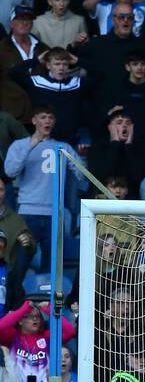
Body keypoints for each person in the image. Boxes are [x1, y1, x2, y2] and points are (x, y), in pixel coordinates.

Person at [4, 106, 82, 273]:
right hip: (28, 213)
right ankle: (15, 298)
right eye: (43, 117)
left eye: (51, 118)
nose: (47, 121)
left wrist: (80, 157)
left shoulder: (63, 147)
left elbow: (83, 175)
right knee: (19, 264)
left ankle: (47, 299)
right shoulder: (20, 145)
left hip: (55, 214)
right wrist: (31, 144)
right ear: (34, 120)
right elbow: (10, 171)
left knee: (52, 268)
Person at [11, 48, 90, 151]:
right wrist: (36, 60)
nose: (61, 68)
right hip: (42, 142)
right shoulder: (37, 82)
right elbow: (13, 72)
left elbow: (101, 74)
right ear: (48, 66)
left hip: (71, 142)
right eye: (57, 64)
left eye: (65, 64)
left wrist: (78, 61)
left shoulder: (76, 83)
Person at [98, 48, 145, 151]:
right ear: (127, 67)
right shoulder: (116, 89)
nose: (139, 68)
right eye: (135, 64)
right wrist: (110, 113)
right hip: (122, 145)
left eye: (143, 64)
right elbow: (104, 118)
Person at [87, 108, 145, 196]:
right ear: (110, 127)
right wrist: (115, 143)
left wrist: (129, 145)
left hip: (129, 201)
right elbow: (101, 174)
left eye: (128, 123)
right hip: (101, 199)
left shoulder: (138, 149)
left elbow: (137, 176)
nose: (124, 126)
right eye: (119, 123)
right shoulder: (98, 147)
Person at [0, 174, 36, 308]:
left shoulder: (16, 220)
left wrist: (27, 242)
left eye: (1, 189)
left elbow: (31, 248)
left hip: (8, 279)